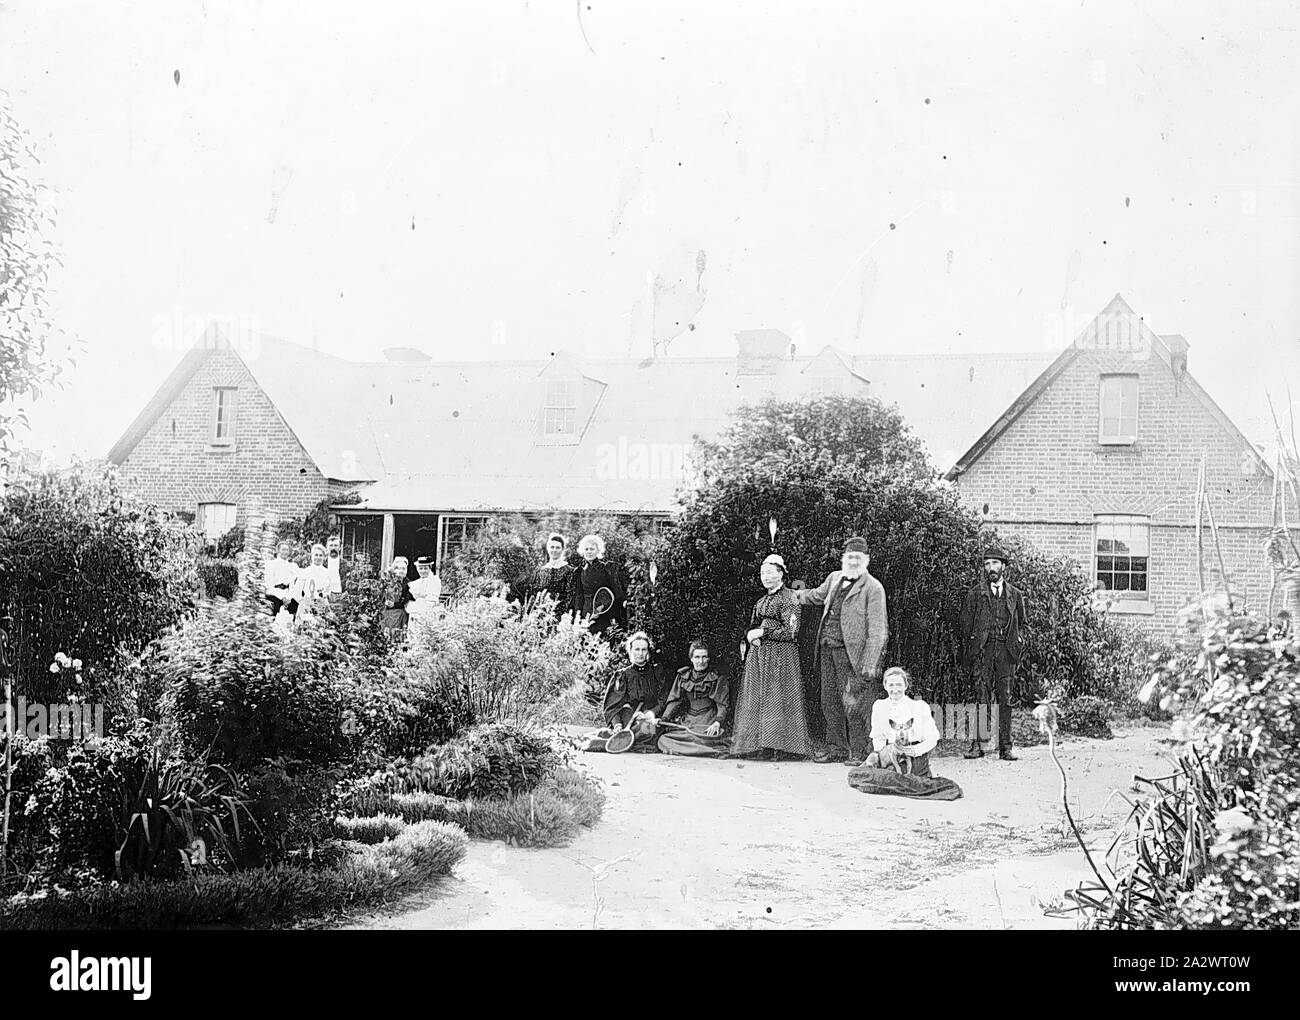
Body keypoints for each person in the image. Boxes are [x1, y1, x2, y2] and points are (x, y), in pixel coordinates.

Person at [791, 536, 889, 766]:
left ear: (866, 560)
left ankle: (858, 750)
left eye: (858, 557)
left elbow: (878, 629)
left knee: (853, 703)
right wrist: (793, 594)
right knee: (829, 700)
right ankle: (836, 747)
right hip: (827, 649)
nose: (853, 561)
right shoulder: (835, 578)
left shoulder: (873, 587)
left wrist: (870, 662)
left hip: (852, 655)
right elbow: (816, 595)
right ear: (844, 559)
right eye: (850, 557)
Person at [731, 554, 814, 760]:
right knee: (758, 697)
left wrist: (764, 633)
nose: (766, 577)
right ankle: (759, 745)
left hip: (782, 656)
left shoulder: (790, 598)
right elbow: (753, 625)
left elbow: (792, 632)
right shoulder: (761, 601)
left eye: (770, 572)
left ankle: (783, 747)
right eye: (762, 573)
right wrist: (752, 636)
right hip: (759, 655)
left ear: (781, 574)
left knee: (778, 698)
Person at [959, 546, 1027, 761]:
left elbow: (1023, 623)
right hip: (983, 652)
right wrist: (974, 647)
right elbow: (965, 624)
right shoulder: (976, 593)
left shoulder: (1015, 595)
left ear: (1004, 567)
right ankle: (977, 745)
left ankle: (1005, 747)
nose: (991, 568)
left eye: (995, 563)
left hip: (1006, 654)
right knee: (981, 697)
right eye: (987, 564)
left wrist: (1018, 642)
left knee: (1005, 700)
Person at [583, 631, 671, 753]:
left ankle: (611, 742)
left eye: (644, 650)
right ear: (630, 651)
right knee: (630, 731)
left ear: (648, 652)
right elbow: (612, 705)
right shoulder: (622, 675)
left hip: (651, 719)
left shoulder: (657, 673)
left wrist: (649, 714)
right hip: (629, 719)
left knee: (648, 730)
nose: (640, 653)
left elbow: (663, 701)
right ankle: (615, 738)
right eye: (637, 649)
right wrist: (617, 724)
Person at [656, 641, 731, 757]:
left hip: (708, 721)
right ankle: (702, 750)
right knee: (663, 739)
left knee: (706, 738)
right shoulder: (683, 676)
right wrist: (664, 718)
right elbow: (675, 701)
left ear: (708, 658)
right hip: (688, 722)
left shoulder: (717, 677)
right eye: (697, 657)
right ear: (691, 659)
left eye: (704, 657)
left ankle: (695, 749)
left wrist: (717, 722)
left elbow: (722, 704)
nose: (700, 661)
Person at [867, 667, 941, 778]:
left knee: (903, 779)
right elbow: (878, 737)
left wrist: (915, 750)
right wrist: (881, 755)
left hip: (914, 755)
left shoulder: (919, 706)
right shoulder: (879, 706)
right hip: (891, 755)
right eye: (891, 685)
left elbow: (932, 738)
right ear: (885, 686)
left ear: (905, 686)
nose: (895, 689)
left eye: (899, 685)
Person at [571, 534, 626, 635]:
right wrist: (578, 617)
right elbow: (579, 596)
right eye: (586, 549)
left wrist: (599, 609)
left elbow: (615, 590)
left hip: (604, 613)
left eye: (592, 549)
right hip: (586, 614)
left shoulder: (607, 568)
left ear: (598, 551)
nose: (589, 552)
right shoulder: (579, 572)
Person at [293, 544, 332, 618]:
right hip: (306, 605)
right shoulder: (305, 571)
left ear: (324, 557)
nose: (318, 557)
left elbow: (328, 591)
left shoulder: (327, 573)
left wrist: (323, 599)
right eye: (316, 555)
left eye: (320, 555)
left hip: (321, 606)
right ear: (312, 556)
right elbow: (296, 592)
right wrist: (303, 602)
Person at [264, 540, 300, 618]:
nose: (285, 552)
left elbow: (292, 585)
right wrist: (282, 597)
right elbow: (269, 585)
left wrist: (289, 597)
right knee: (275, 609)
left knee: (296, 609)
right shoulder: (271, 564)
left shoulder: (291, 566)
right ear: (278, 551)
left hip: (287, 594)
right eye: (283, 549)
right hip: (274, 593)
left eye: (287, 550)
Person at [380, 556, 413, 632]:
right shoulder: (387, 582)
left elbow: (407, 600)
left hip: (399, 615)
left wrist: (394, 604)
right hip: (386, 614)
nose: (401, 571)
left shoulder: (409, 584)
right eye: (398, 568)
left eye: (403, 569)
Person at [406, 555, 442, 621]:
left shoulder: (434, 581)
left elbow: (432, 599)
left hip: (429, 612)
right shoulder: (415, 583)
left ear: (429, 568)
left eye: (425, 568)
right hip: (416, 612)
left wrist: (421, 599)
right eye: (420, 568)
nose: (423, 571)